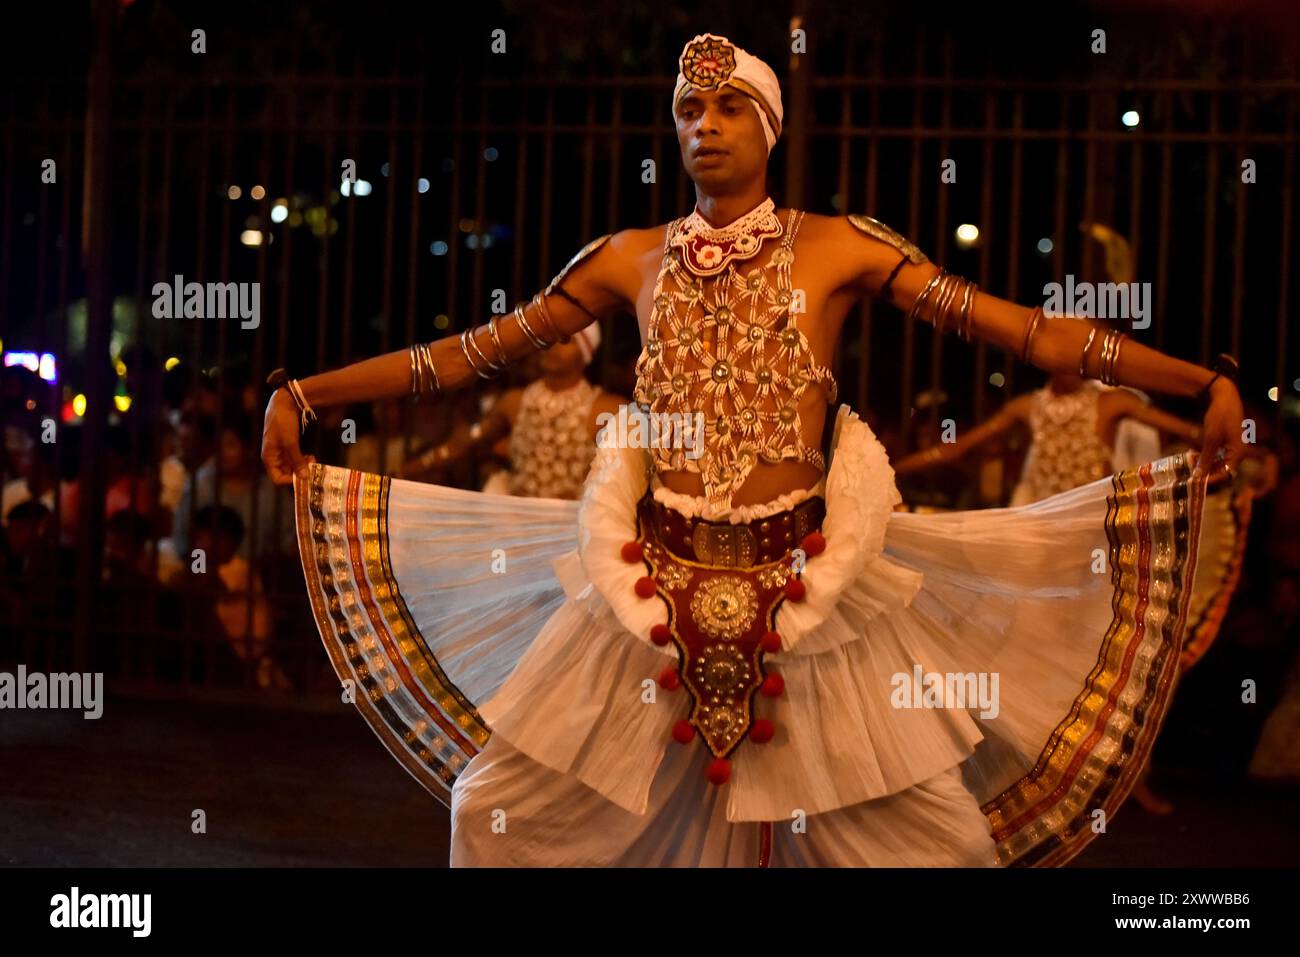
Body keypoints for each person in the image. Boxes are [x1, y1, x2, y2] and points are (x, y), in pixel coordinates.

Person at [262, 33, 1248, 867]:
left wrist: (1195, 386)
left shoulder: (842, 246)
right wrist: (304, 394)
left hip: (813, 592)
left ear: (769, 128)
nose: (705, 124)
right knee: (492, 813)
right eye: (690, 107)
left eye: (730, 106)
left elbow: (1029, 334)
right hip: (641, 589)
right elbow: (465, 356)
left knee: (940, 845)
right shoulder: (626, 258)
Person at [402, 324, 626, 500]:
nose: (551, 346)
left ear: (585, 352)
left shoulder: (606, 408)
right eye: (549, 338)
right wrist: (413, 469)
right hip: (515, 523)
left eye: (565, 341)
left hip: (571, 531)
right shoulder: (514, 402)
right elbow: (466, 443)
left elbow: (626, 476)